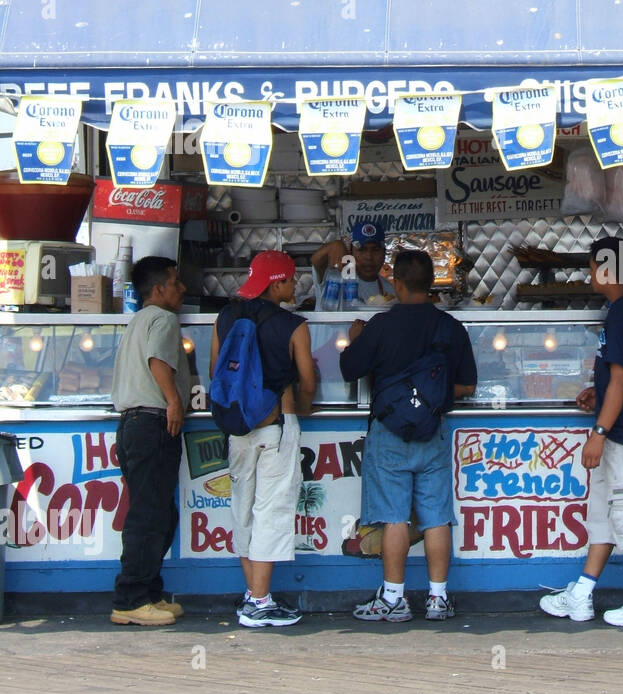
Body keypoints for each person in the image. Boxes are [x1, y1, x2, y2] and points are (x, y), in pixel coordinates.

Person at [341, 249, 477, 623]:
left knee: (394, 517)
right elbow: (467, 385)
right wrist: (430, 400)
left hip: (389, 432)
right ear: (432, 284)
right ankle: (437, 599)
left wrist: (356, 339)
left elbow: (349, 368)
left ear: (396, 284)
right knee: (436, 518)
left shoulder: (380, 326)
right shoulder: (450, 327)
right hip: (433, 430)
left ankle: (394, 599)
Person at [540, 235, 623, 627]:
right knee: (604, 516)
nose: (590, 273)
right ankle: (582, 594)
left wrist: (598, 430)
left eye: (594, 265)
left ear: (608, 269)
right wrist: (599, 394)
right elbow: (622, 377)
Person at [210, 250, 318, 628]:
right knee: (270, 511)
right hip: (275, 426)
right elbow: (307, 382)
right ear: (277, 282)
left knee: (243, 507)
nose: (294, 285)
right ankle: (259, 602)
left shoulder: (225, 317)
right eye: (290, 279)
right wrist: (301, 406)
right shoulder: (293, 325)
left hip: (239, 430)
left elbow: (215, 374)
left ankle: (253, 595)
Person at [109, 256, 191, 626]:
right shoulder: (164, 318)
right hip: (151, 422)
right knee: (148, 513)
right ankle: (131, 600)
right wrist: (174, 399)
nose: (182, 288)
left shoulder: (136, 321)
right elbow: (158, 360)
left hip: (131, 425)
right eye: (176, 282)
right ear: (158, 289)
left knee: (157, 510)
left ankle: (149, 592)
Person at [310, 219, 392, 306]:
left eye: (375, 250)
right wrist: (336, 244)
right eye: (361, 250)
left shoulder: (389, 291)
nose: (369, 257)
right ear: (351, 252)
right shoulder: (335, 275)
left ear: (384, 254)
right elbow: (316, 260)